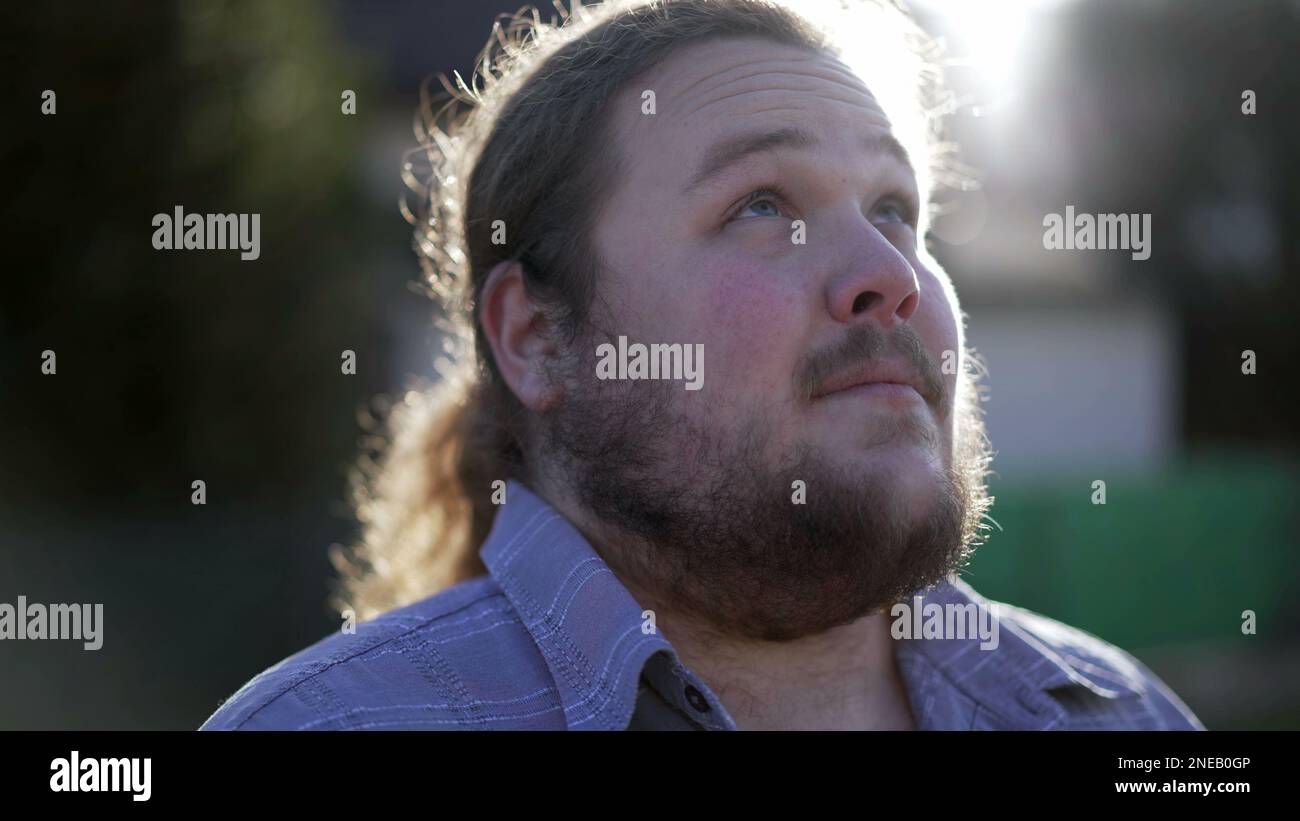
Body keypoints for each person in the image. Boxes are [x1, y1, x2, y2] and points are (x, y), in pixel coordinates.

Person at [202, 0, 1202, 731]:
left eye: (896, 210)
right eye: (762, 204)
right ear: (537, 336)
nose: (889, 276)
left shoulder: (1130, 720)